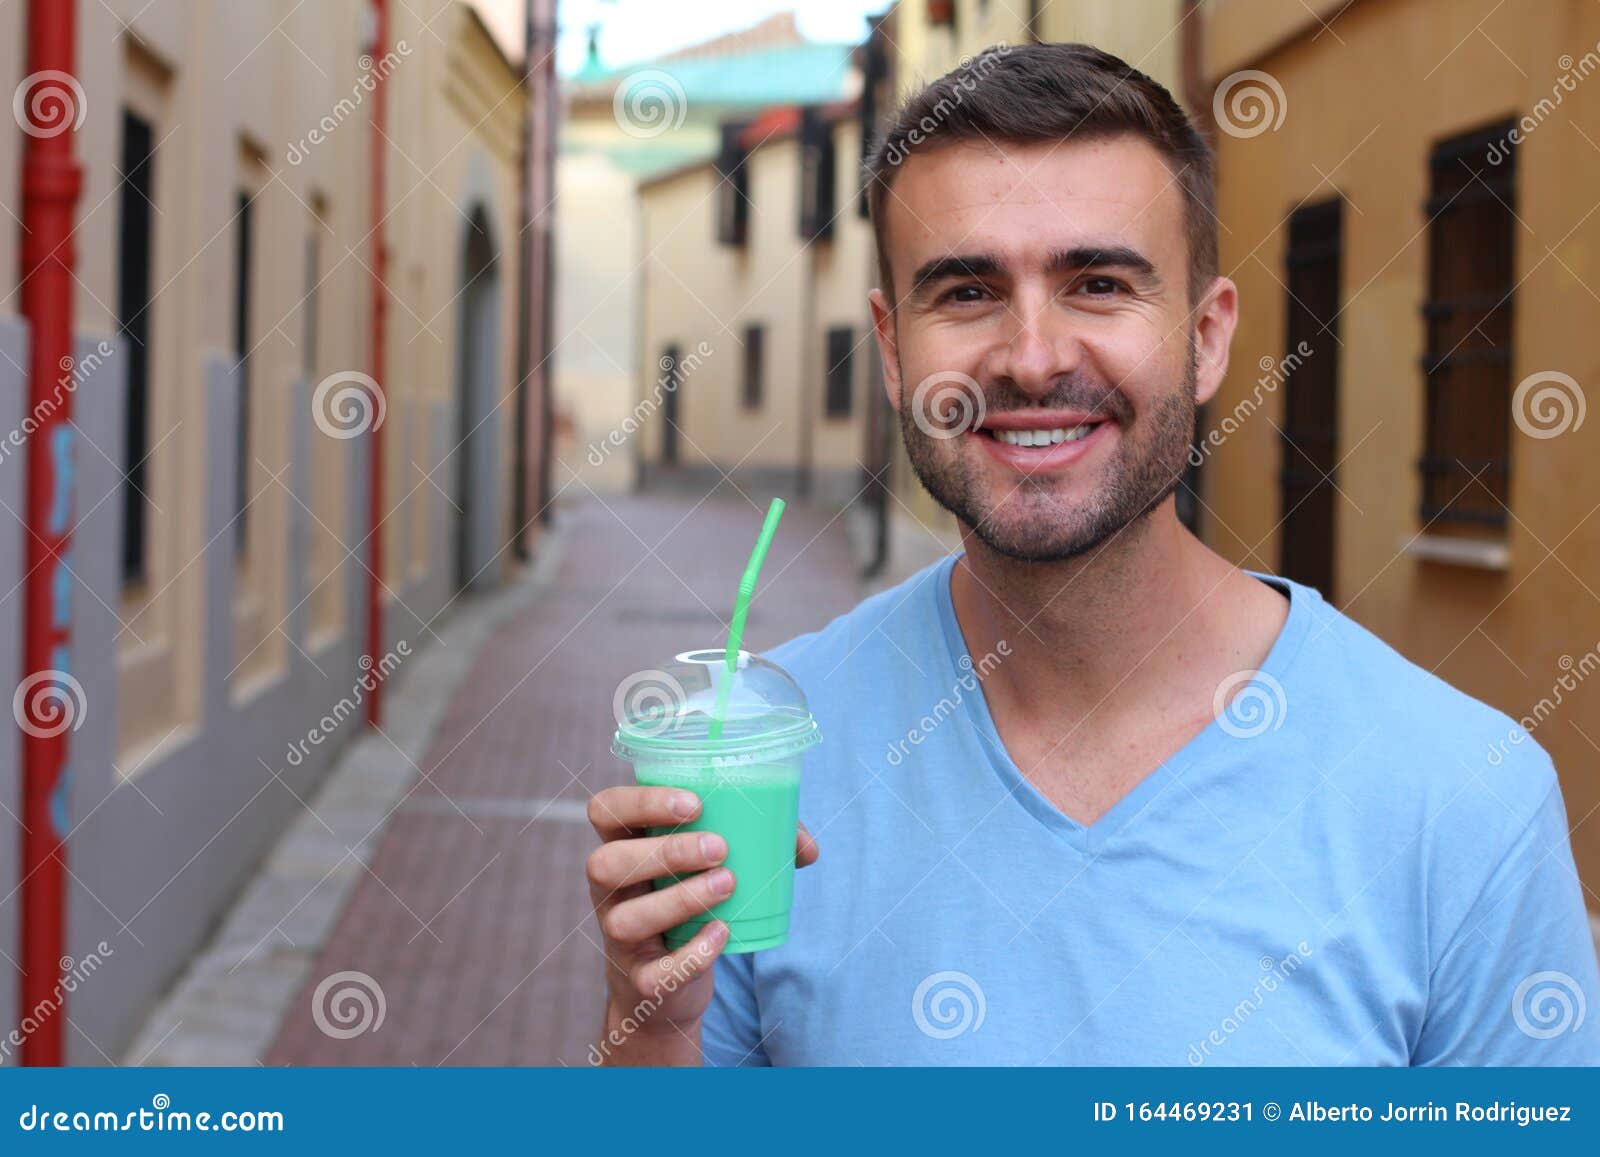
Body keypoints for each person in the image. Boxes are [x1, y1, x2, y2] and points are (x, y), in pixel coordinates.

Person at [585, 42, 1600, 1065]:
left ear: (1206, 339)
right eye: (968, 291)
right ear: (893, 353)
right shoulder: (774, 749)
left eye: (1099, 282)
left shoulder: (1464, 801)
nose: (1032, 357)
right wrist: (652, 1028)